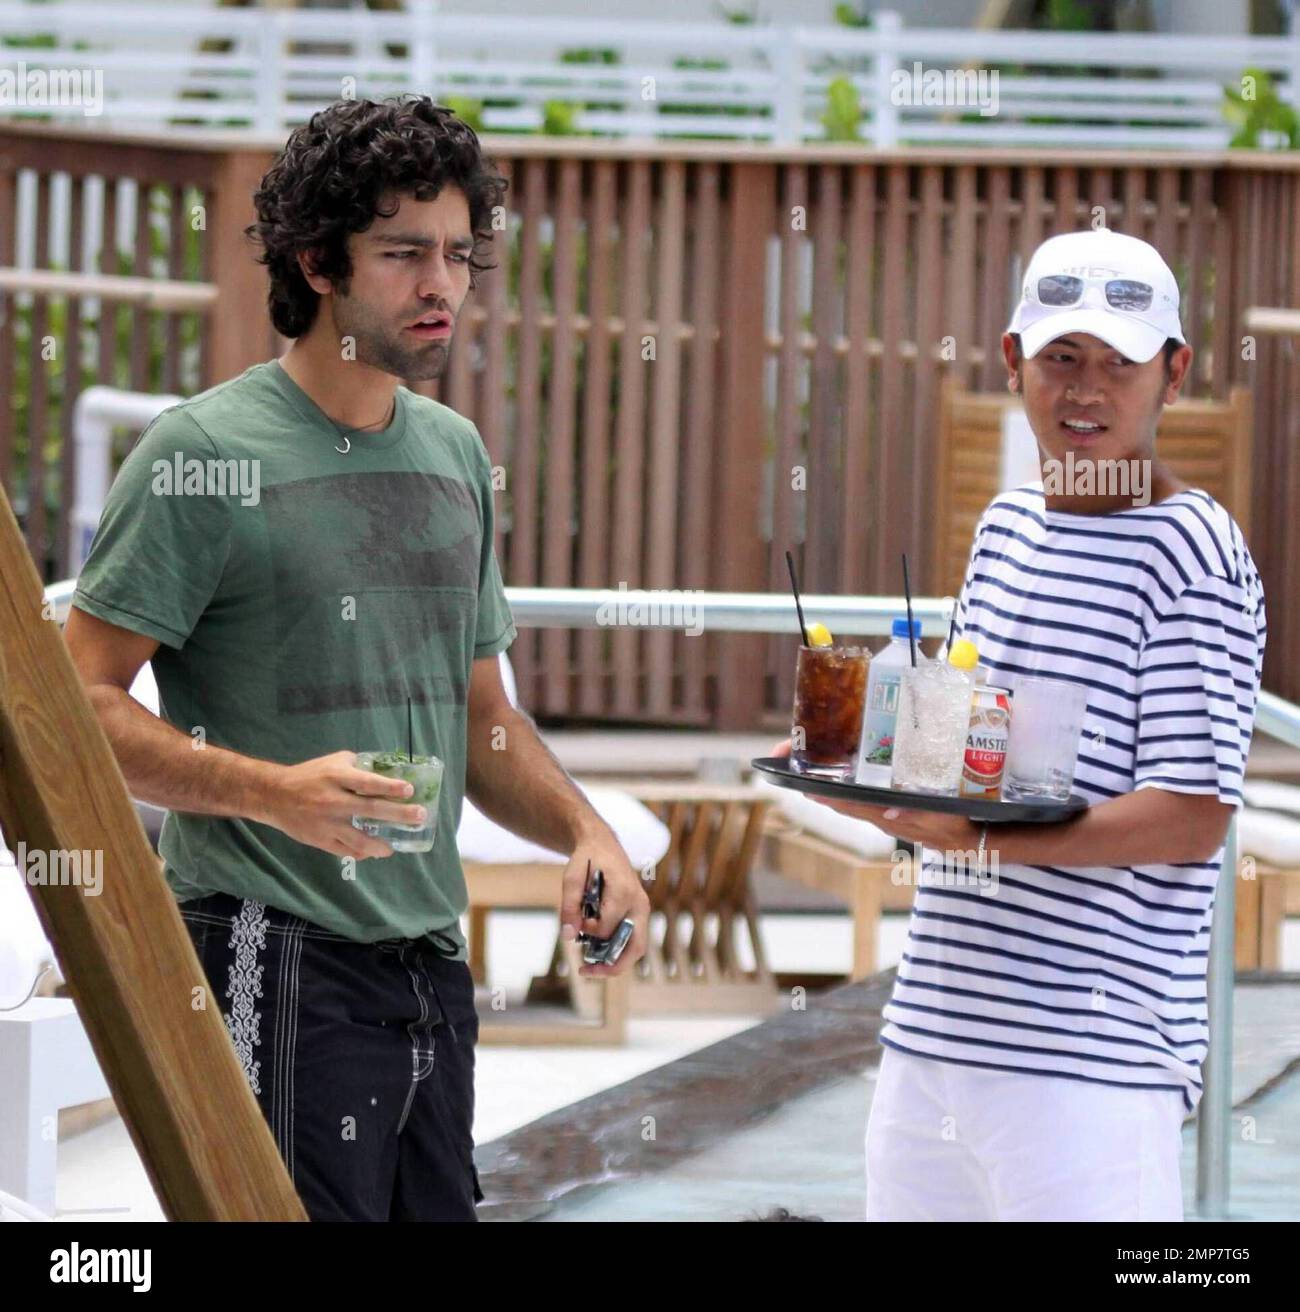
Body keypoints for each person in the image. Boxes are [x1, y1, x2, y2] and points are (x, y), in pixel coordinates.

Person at [64, 96, 649, 1222]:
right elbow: (77, 707)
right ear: (317, 260)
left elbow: (480, 717)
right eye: (404, 254)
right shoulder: (201, 454)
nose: (442, 284)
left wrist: (588, 831)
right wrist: (272, 793)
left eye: (458, 254)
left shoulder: (455, 456)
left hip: (429, 960)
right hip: (265, 949)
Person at [791, 228, 1267, 1221]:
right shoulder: (1005, 526)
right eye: (1060, 358)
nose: (1085, 391)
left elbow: (1190, 814)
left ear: (1172, 375)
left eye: (1117, 365)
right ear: (1013, 362)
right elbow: (981, 757)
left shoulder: (1194, 553)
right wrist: (893, 784)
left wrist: (978, 843)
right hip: (933, 1028)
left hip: (1094, 1062)